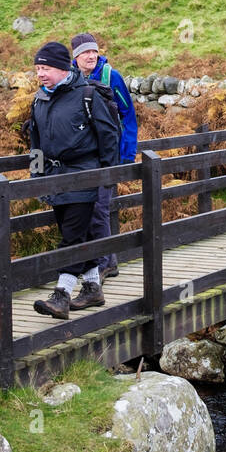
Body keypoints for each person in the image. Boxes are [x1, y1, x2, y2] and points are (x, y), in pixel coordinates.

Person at [27, 41, 121, 319]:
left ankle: (61, 294)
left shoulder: (87, 95)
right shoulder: (40, 99)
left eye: (45, 68)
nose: (41, 74)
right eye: (37, 69)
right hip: (55, 179)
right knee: (80, 235)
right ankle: (92, 287)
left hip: (84, 175)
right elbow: (35, 141)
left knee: (71, 236)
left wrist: (107, 175)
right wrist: (36, 177)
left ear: (60, 67)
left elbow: (108, 136)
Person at [70, 32, 138, 279]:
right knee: (83, 210)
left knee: (99, 208)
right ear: (75, 57)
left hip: (107, 155)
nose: (91, 55)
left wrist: (127, 154)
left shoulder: (111, 77)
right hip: (81, 157)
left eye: (94, 51)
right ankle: (98, 262)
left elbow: (128, 115)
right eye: (85, 52)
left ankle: (106, 263)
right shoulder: (70, 79)